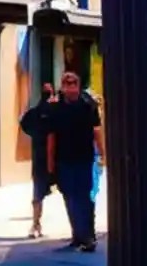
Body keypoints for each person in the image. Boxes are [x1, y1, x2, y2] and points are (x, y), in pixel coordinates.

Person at [48, 71, 103, 253]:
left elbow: (97, 131)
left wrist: (103, 153)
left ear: (78, 86)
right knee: (70, 198)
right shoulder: (56, 109)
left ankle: (88, 236)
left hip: (85, 158)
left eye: (73, 84)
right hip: (64, 159)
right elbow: (52, 136)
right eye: (67, 84)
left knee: (85, 198)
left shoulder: (88, 105)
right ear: (62, 87)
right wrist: (50, 161)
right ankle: (78, 235)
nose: (70, 87)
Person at [20, 82, 58, 238]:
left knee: (38, 193)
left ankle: (36, 223)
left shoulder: (34, 113)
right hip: (57, 157)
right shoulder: (55, 112)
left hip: (39, 156)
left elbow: (24, 123)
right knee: (70, 193)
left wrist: (35, 135)